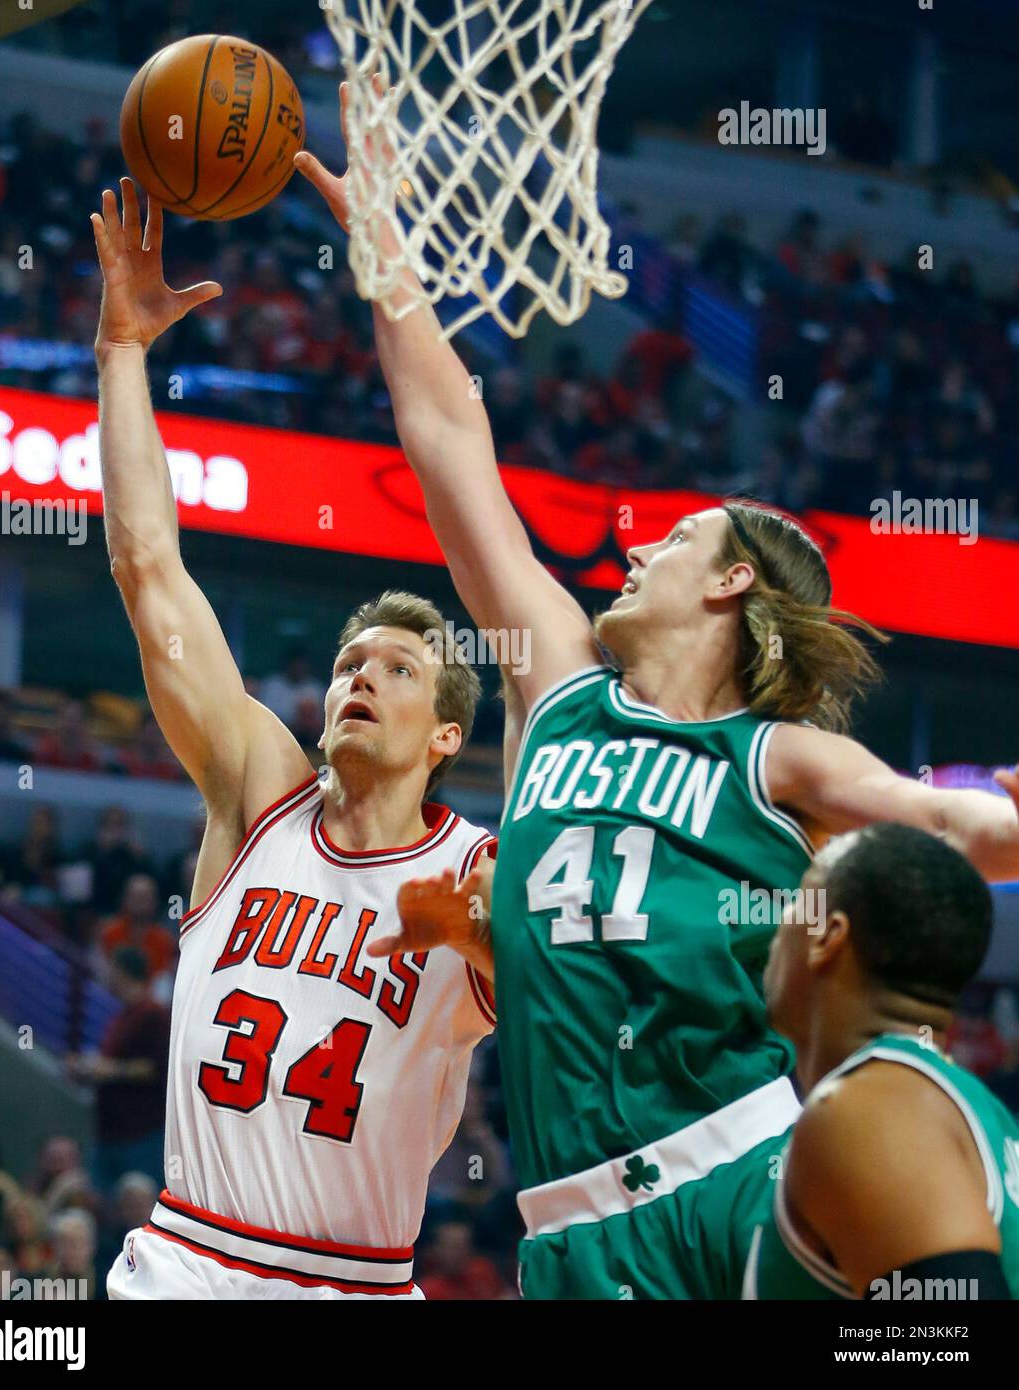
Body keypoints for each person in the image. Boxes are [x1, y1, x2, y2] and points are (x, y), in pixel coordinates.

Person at [297, 81, 1019, 1299]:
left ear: (733, 578)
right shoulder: (558, 690)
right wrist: (383, 252)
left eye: (670, 541)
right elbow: (448, 441)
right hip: (564, 1229)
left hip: (735, 1173)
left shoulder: (774, 757)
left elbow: (952, 827)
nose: (633, 552)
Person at [90, 179, 496, 1300]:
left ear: (445, 733)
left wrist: (494, 939)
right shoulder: (257, 789)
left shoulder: (469, 870)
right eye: (348, 662)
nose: (360, 675)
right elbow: (149, 574)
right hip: (183, 1263)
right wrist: (123, 352)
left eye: (397, 668)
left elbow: (560, 1002)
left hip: (358, 1282)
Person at [745, 823, 1018, 1299]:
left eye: (795, 904)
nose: (774, 928)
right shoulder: (966, 1107)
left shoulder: (870, 1109)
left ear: (826, 937)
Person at [67, 946, 169, 1197]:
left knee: (136, 1204)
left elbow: (156, 1068)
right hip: (110, 1130)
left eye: (111, 969)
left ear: (122, 972)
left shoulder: (153, 1015)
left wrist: (110, 1070)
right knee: (102, 1204)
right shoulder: (123, 1016)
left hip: (139, 1133)